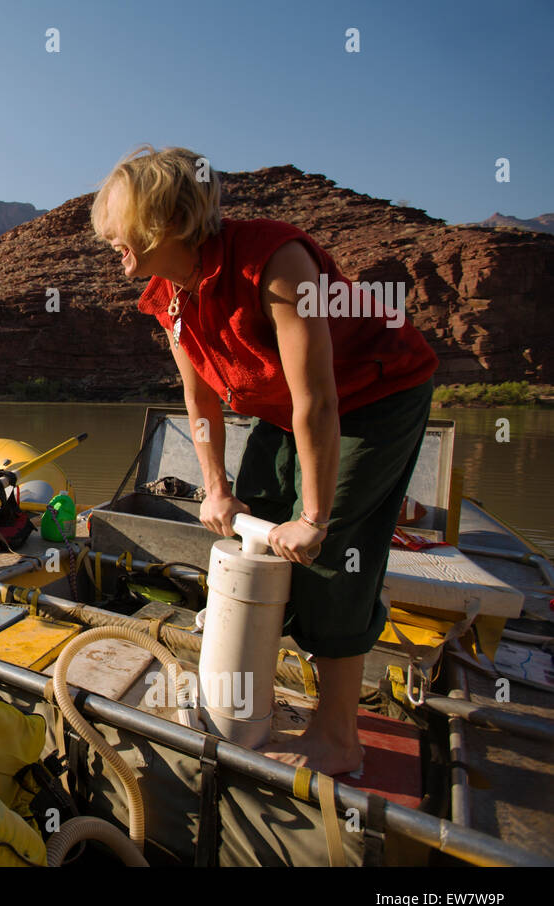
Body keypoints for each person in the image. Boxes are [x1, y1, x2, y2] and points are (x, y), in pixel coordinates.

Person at [92, 146, 438, 775]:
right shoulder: (170, 294)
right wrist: (217, 489)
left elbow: (320, 401)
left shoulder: (278, 262)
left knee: (330, 555)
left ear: (167, 223)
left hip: (374, 397)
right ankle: (253, 697)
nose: (112, 242)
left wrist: (315, 515)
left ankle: (339, 737)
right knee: (254, 523)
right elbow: (199, 403)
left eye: (121, 230)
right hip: (291, 412)